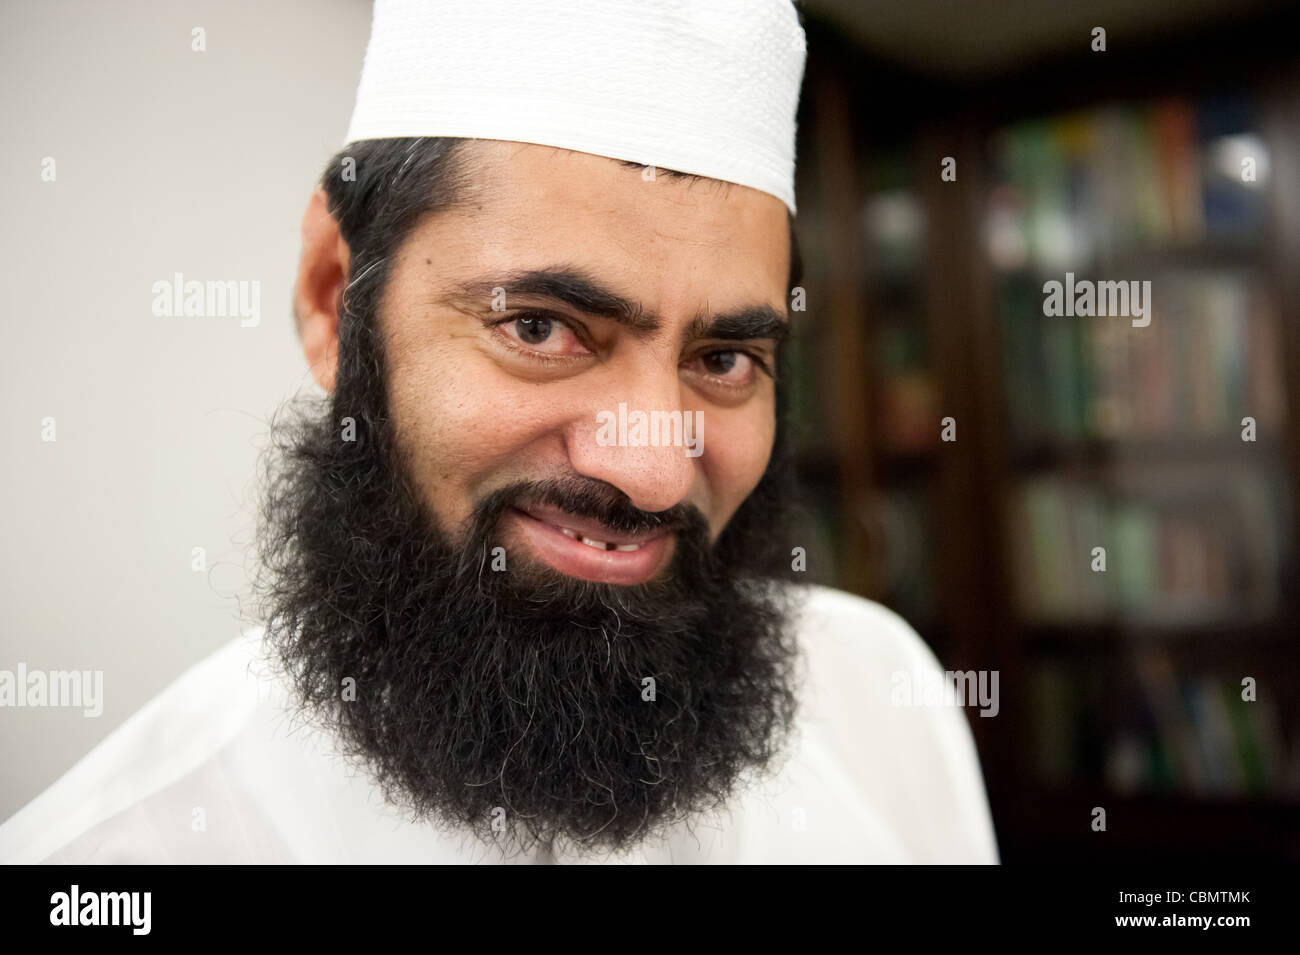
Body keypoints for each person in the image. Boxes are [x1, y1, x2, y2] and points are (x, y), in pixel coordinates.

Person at [0, 0, 998, 864]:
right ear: (333, 296)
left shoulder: (880, 699)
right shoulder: (111, 858)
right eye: (541, 328)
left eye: (723, 358)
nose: (651, 473)